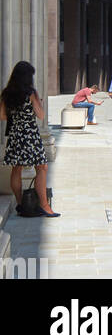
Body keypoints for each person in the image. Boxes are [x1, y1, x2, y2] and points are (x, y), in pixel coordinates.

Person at [0, 62, 59, 218]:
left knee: (16, 169)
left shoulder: (7, 93)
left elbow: (2, 116)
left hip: (15, 135)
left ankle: (21, 204)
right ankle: (45, 206)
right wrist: (39, 103)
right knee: (42, 167)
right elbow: (41, 115)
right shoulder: (31, 93)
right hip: (30, 135)